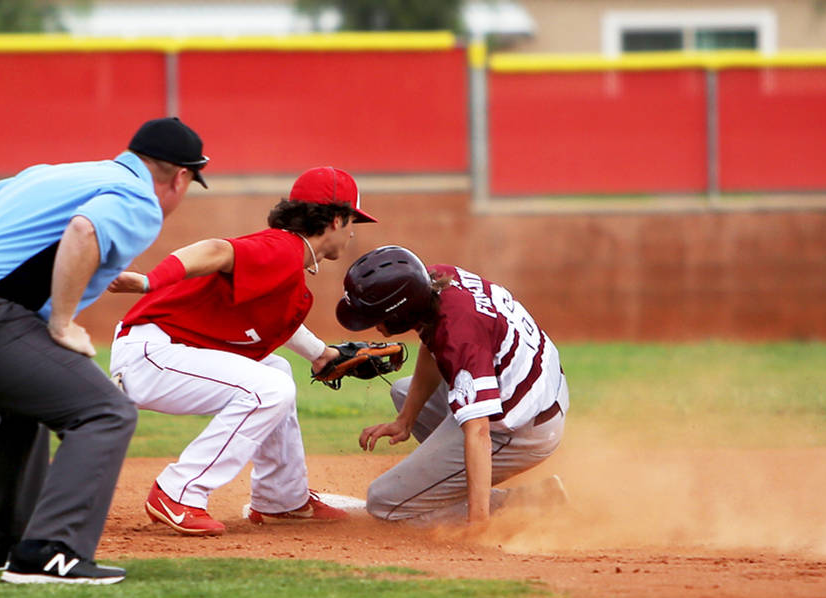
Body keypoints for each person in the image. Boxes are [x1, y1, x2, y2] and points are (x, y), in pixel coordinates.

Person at [0, 117, 209, 584]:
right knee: (106, 411)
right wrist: (61, 321)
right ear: (180, 176)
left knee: (29, 403)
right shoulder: (141, 198)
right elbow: (83, 232)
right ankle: (50, 552)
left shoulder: (55, 173)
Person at [107, 166, 377, 536]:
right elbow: (216, 250)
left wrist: (320, 354)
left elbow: (271, 318)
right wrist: (149, 281)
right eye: (352, 222)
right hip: (151, 355)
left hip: (164, 352)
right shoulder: (282, 248)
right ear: (335, 219)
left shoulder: (288, 264)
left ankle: (282, 498)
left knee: (277, 372)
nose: (352, 232)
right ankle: (177, 491)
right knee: (269, 388)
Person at [337, 245, 569, 529]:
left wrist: (477, 522)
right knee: (402, 390)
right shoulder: (434, 283)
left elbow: (479, 431)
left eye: (375, 316)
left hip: (518, 430)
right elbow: (433, 344)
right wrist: (405, 421)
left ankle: (525, 504)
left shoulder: (460, 335)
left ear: (400, 313)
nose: (372, 324)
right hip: (534, 392)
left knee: (384, 503)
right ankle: (454, 483)